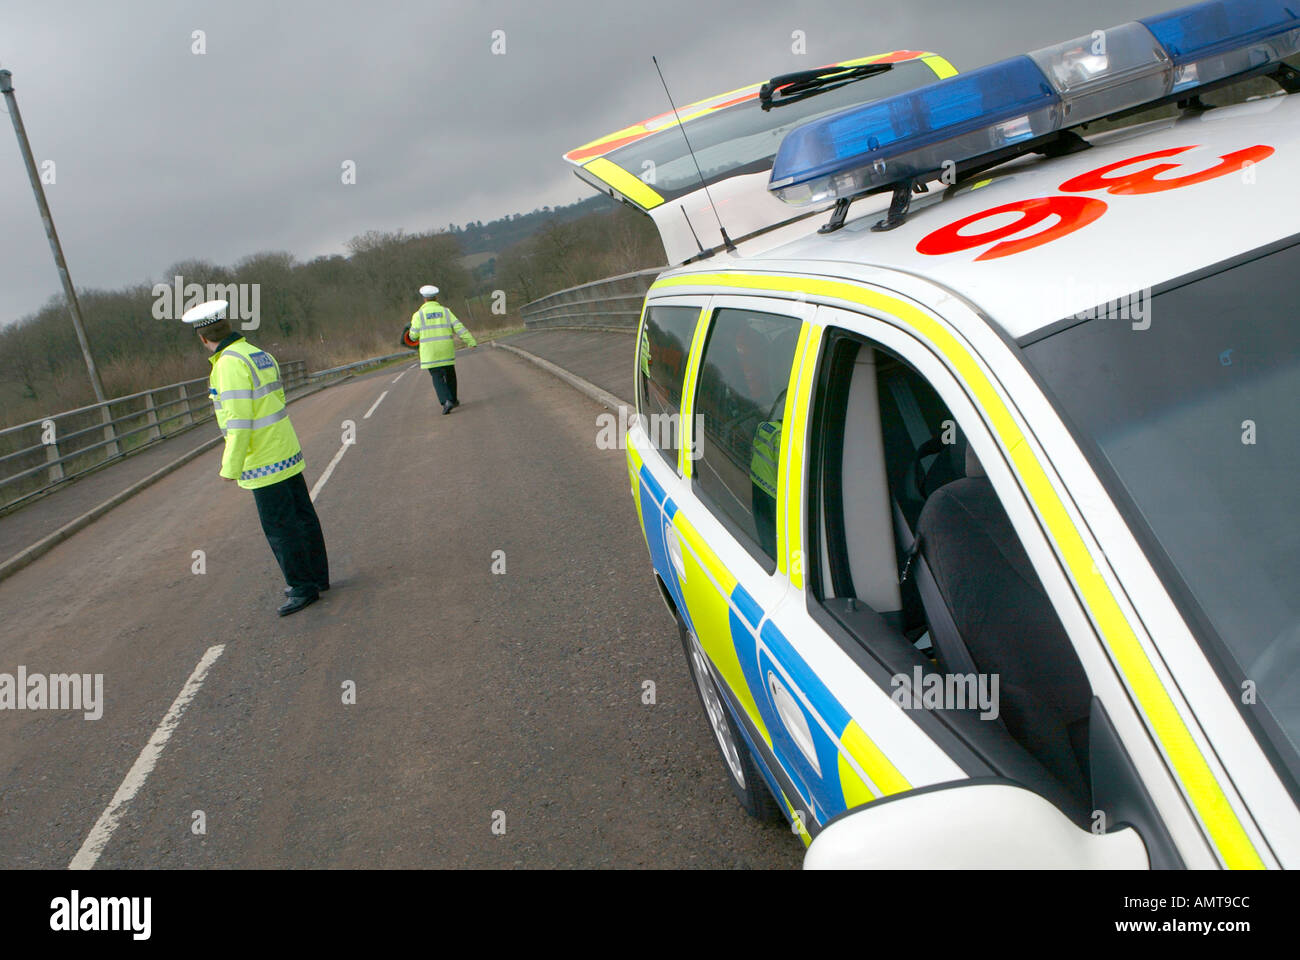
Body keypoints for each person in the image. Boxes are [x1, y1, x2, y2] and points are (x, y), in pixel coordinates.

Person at [182, 299, 329, 616]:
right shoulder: (257, 353)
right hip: (284, 448)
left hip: (262, 458)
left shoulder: (227, 365)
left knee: (280, 527)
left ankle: (302, 588)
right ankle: (318, 578)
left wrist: (230, 467)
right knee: (303, 518)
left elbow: (238, 421)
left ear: (203, 338)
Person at [409, 284, 477, 414]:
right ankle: (454, 399)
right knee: (450, 374)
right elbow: (459, 327)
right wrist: (471, 341)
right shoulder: (446, 311)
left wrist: (411, 334)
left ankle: (446, 401)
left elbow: (413, 335)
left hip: (430, 353)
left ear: (424, 299)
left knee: (437, 377)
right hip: (446, 349)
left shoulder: (418, 315)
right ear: (436, 297)